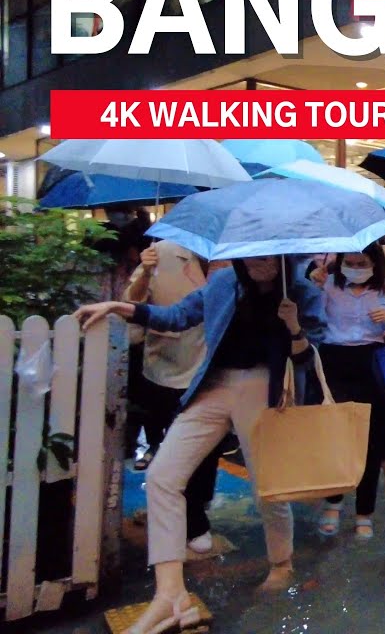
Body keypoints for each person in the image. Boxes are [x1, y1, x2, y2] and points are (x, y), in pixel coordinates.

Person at [74, 255, 325, 634]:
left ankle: (281, 563)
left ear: (284, 256)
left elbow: (311, 355)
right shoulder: (224, 283)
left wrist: (293, 327)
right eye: (253, 254)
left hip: (265, 390)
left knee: (268, 489)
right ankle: (170, 595)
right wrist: (117, 306)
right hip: (213, 387)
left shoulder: (302, 291)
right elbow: (175, 317)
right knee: (162, 475)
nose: (262, 263)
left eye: (270, 256)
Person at [123, 241, 221, 555]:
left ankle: (195, 509)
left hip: (214, 369)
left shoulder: (237, 258)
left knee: (209, 448)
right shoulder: (161, 252)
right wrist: (145, 273)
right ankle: (192, 521)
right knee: (173, 445)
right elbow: (132, 306)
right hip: (167, 368)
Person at [313, 245, 385, 540]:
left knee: (371, 440)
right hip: (333, 361)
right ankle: (333, 502)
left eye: (361, 263)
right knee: (335, 436)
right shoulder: (327, 285)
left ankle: (365, 511)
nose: (354, 267)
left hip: (374, 361)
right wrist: (311, 286)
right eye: (349, 262)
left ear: (374, 264)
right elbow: (311, 321)